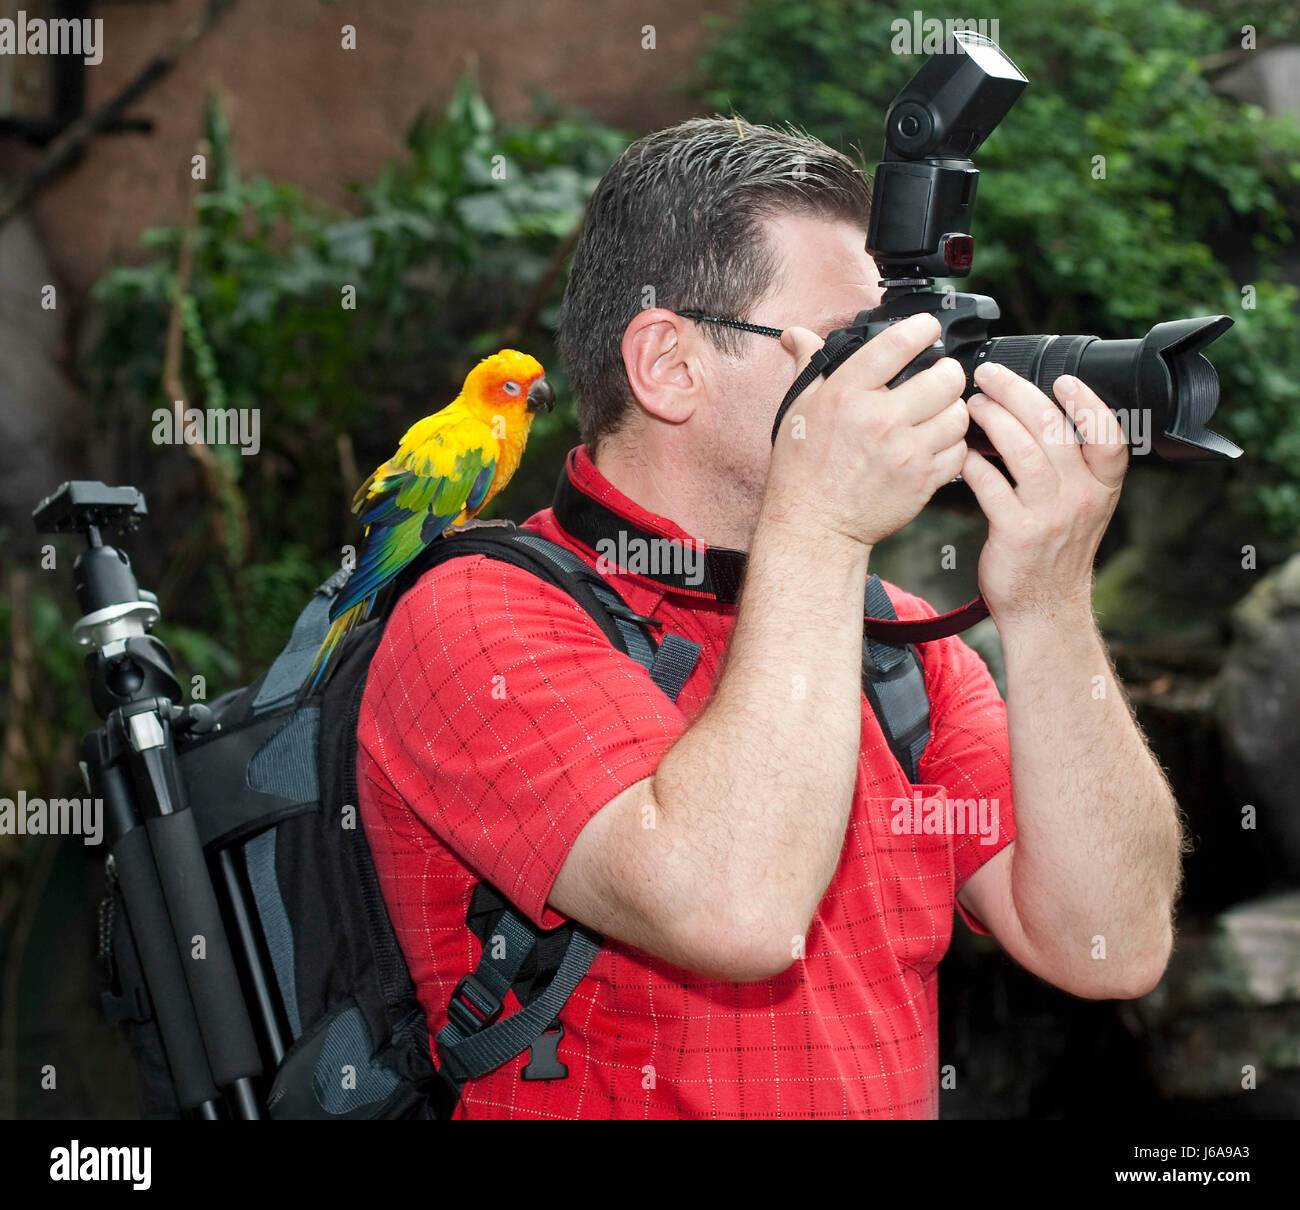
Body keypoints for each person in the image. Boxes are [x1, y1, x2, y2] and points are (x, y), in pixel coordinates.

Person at [356, 116, 1184, 1119]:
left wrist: (1048, 602)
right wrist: (823, 529)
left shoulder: (898, 654)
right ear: (668, 366)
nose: (904, 384)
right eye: (852, 345)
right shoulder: (476, 619)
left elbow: (1111, 941)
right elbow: (735, 908)